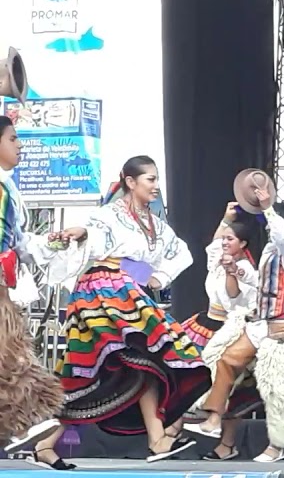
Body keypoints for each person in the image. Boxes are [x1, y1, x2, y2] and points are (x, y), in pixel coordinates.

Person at [25, 155, 204, 466]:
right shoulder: (110, 215)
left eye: (157, 179)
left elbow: (179, 252)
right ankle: (156, 439)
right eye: (150, 179)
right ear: (131, 182)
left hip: (128, 292)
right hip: (102, 291)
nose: (156, 186)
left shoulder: (155, 225)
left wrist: (157, 277)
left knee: (134, 360)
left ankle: (155, 439)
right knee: (131, 355)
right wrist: (79, 233)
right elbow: (92, 232)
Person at [190, 198, 284, 464]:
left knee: (279, 390)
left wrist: (268, 207)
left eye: (271, 221)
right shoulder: (271, 249)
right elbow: (262, 282)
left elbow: (281, 236)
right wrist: (239, 272)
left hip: (283, 330)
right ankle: (213, 418)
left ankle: (277, 447)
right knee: (226, 360)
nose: (267, 226)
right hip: (260, 324)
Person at [178, 205, 262, 460]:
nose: (224, 242)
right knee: (182, 375)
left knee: (232, 389)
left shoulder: (247, 269)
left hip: (230, 330)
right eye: (225, 237)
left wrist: (231, 270)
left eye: (230, 239)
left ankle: (226, 445)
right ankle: (172, 433)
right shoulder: (218, 256)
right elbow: (215, 242)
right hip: (204, 323)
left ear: (243, 243)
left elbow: (233, 296)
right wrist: (227, 217)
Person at [0, 115, 63, 456]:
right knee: (12, 358)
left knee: (12, 356)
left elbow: (19, 242)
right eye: (12, 138)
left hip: (3, 285)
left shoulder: (8, 187)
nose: (19, 144)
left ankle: (30, 429)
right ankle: (32, 427)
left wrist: (54, 243)